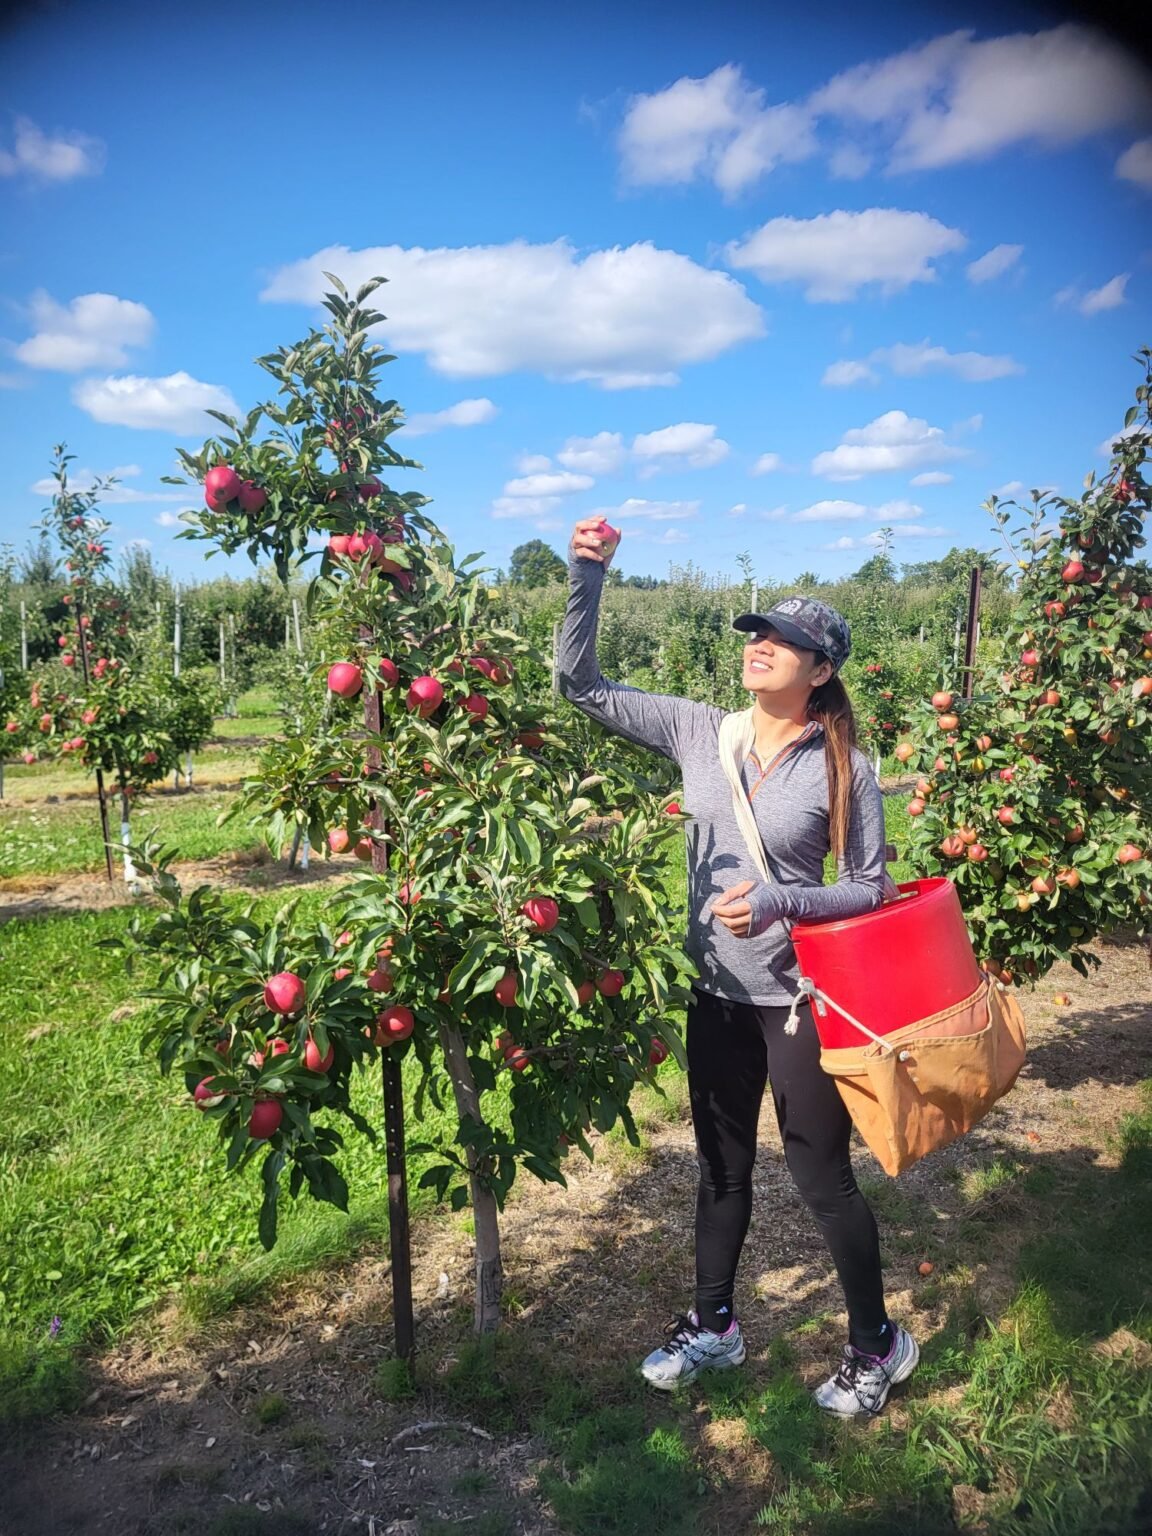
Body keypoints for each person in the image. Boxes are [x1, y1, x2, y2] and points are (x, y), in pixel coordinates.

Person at [556, 517, 919, 1418]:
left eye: (785, 641)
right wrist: (587, 574)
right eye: (758, 633)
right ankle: (714, 1324)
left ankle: (881, 1342)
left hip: (795, 1000)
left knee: (820, 1179)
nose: (761, 646)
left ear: (821, 669)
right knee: (719, 1171)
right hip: (713, 992)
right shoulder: (697, 733)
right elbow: (580, 685)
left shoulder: (846, 766)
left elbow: (870, 888)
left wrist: (781, 901)